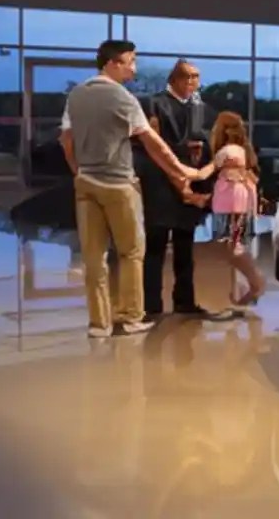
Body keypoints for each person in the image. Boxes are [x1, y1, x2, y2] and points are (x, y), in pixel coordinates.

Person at [60, 40, 209, 338]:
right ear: (113, 63)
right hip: (118, 183)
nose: (134, 68)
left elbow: (66, 140)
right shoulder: (123, 97)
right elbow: (153, 144)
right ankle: (130, 318)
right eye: (131, 61)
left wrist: (79, 171)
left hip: (86, 183)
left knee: (94, 257)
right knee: (131, 252)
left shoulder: (76, 94)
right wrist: (183, 171)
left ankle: (99, 324)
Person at [136, 59, 230, 320]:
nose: (191, 81)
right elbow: (152, 146)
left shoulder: (203, 109)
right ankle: (151, 305)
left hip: (193, 184)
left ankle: (185, 302)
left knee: (185, 247)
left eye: (195, 76)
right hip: (160, 185)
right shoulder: (153, 104)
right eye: (186, 76)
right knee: (155, 247)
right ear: (173, 78)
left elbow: (211, 144)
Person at [184, 111, 267, 309]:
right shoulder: (241, 151)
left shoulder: (227, 151)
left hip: (230, 202)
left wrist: (176, 168)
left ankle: (256, 281)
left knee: (232, 247)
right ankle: (252, 286)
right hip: (239, 200)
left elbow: (202, 174)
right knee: (233, 246)